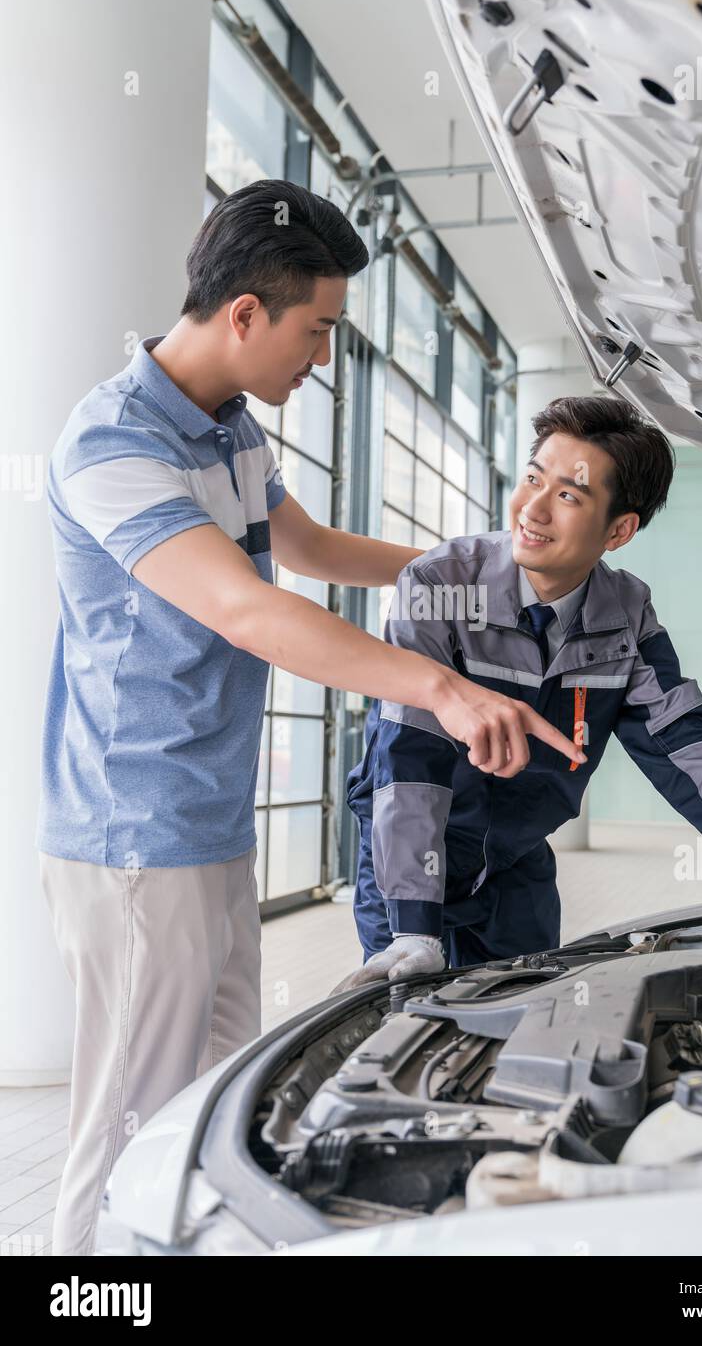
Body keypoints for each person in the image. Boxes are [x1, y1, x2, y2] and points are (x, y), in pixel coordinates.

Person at [36, 178, 582, 1256]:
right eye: (320, 330)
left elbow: (313, 550)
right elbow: (248, 609)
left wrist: (488, 579)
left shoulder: (229, 426)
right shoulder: (113, 445)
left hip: (209, 827)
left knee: (212, 1112)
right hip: (135, 837)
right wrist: (441, 686)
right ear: (248, 313)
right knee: (127, 1129)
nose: (324, 358)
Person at [335, 395, 702, 990]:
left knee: (528, 1012)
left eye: (567, 495)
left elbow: (684, 735)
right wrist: (412, 925)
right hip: (410, 854)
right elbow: (409, 756)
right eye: (533, 478)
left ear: (620, 530)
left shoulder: (625, 611)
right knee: (413, 1026)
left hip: (515, 861)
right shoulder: (439, 583)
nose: (532, 508)